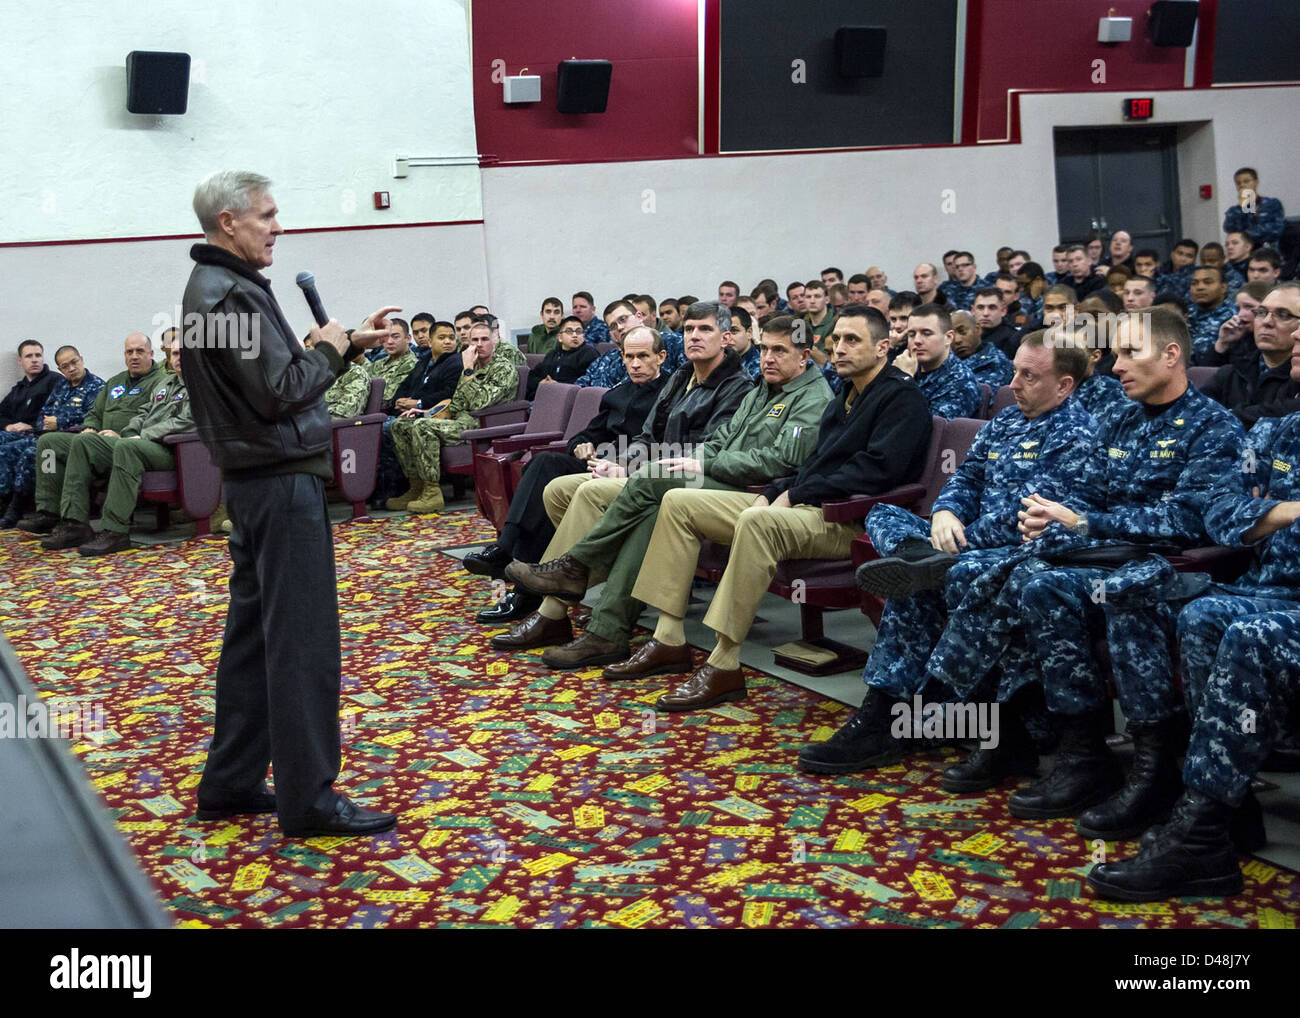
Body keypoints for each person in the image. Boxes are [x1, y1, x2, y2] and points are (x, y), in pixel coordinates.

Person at [180, 169, 397, 838]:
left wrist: (343, 346)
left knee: (251, 641)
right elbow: (280, 392)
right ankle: (310, 800)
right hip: (278, 484)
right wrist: (331, 350)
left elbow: (266, 381)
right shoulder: (227, 300)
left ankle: (232, 780)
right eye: (267, 216)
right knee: (301, 644)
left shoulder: (218, 290)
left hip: (255, 481)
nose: (278, 226)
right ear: (228, 224)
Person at [805, 332, 1101, 777]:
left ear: (1064, 385)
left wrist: (961, 538)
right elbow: (965, 478)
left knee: (930, 584)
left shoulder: (1078, 434)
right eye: (1014, 371)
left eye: (1029, 376)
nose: (1014, 384)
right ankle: (918, 558)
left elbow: (1029, 519)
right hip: (959, 542)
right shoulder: (1006, 421)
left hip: (1021, 551)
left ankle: (883, 714)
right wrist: (945, 513)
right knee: (883, 514)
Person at [627, 306, 932, 711]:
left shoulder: (901, 398)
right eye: (837, 339)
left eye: (852, 340)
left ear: (883, 347)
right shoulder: (847, 393)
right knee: (679, 502)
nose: (839, 348)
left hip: (851, 520)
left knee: (758, 520)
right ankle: (668, 638)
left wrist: (795, 494)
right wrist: (780, 489)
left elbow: (874, 472)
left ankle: (724, 663)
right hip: (808, 506)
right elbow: (815, 462)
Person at [497, 301, 755, 668]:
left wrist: (635, 469)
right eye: (688, 330)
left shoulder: (736, 387)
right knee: (558, 489)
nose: (694, 336)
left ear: (727, 338)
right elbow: (648, 434)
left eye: (705, 330)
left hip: (694, 481)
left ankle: (562, 597)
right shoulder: (682, 376)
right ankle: (571, 585)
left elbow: (703, 452)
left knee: (590, 493)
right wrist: (621, 461)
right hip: (654, 473)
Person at [466, 327, 671, 622]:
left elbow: (663, 444)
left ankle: (525, 587)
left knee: (559, 491)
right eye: (629, 357)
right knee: (543, 465)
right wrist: (581, 447)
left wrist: (617, 460)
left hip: (631, 470)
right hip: (597, 463)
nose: (635, 364)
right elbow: (587, 434)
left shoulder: (669, 395)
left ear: (660, 357)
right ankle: (506, 549)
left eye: (643, 357)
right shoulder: (617, 394)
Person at [40, 334, 193, 556]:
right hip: (138, 443)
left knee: (125, 447)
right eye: (176, 353)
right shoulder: (166, 383)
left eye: (186, 354)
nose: (180, 358)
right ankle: (74, 523)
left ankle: (115, 531)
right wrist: (130, 432)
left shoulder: (201, 385)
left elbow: (186, 420)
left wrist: (141, 436)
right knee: (79, 442)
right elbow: (143, 413)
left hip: (170, 449)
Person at [18, 333, 165, 535]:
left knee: (83, 442)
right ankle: (48, 510)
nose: (134, 356)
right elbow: (95, 413)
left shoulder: (161, 383)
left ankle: (75, 522)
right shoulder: (115, 382)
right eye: (129, 352)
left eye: (140, 351)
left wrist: (120, 434)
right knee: (48, 444)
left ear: (151, 353)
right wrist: (90, 426)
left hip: (128, 443)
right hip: (97, 440)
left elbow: (155, 419)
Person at [389, 318, 521, 514]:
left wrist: (467, 371)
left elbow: (480, 402)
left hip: (482, 425)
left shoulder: (503, 368)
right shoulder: (472, 365)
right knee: (400, 425)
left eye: (484, 339)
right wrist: (425, 412)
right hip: (460, 420)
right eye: (474, 340)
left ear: (494, 341)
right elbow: (456, 402)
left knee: (422, 427)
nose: (479, 344)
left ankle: (432, 492)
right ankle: (416, 487)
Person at [0, 345, 103, 529]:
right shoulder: (61, 385)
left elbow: (93, 418)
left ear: (82, 359)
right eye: (65, 366)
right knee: (6, 451)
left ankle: (20, 509)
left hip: (72, 440)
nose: (71, 368)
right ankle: (4, 503)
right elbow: (43, 416)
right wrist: (45, 424)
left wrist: (59, 422)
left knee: (33, 452)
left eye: (74, 362)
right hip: (45, 435)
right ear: (60, 369)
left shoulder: (96, 386)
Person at [893, 304, 982, 419]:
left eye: (926, 333)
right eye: (912, 334)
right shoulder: (908, 366)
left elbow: (923, 429)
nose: (917, 341)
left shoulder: (961, 382)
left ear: (949, 338)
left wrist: (904, 381)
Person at [526, 315, 598, 398]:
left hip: (571, 400)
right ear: (560, 338)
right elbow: (531, 376)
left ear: (583, 336)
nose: (575, 335)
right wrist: (541, 382)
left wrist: (558, 386)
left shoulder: (589, 354)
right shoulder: (552, 355)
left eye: (578, 331)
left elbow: (589, 382)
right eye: (569, 331)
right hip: (545, 398)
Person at [1223, 166, 1286, 250]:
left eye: (1246, 181)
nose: (1242, 185)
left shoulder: (1272, 204)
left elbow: (1276, 230)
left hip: (1268, 251)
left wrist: (1246, 235)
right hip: (1245, 254)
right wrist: (1241, 206)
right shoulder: (1234, 210)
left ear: (1256, 182)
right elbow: (1229, 229)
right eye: (1238, 183)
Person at [950, 309, 1013, 387]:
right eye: (951, 336)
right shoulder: (947, 361)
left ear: (978, 329)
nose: (957, 340)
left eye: (962, 332)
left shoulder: (995, 362)